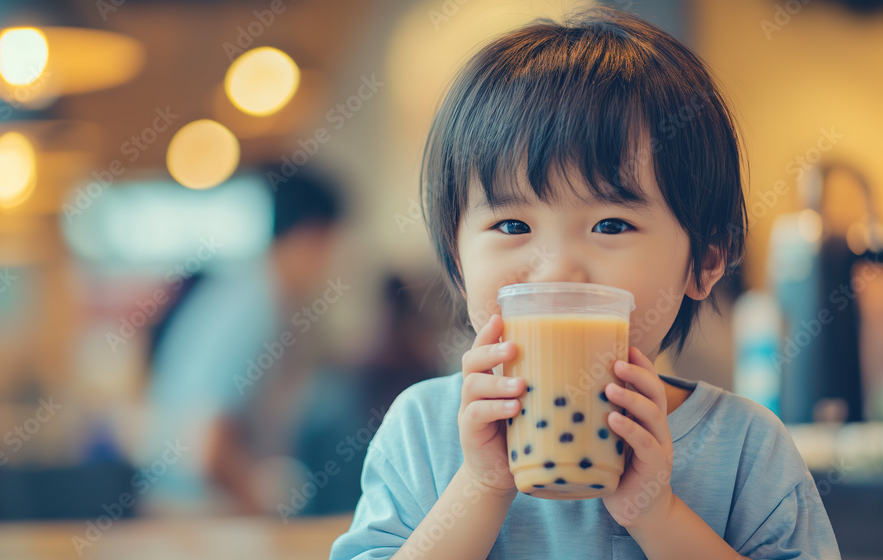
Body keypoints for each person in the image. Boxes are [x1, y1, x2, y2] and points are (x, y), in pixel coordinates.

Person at [331, 7, 840, 560]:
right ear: (455, 255)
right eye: (512, 225)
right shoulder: (423, 432)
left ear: (707, 261)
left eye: (611, 225)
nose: (555, 271)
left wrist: (658, 513)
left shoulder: (746, 448)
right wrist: (480, 487)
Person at [139, 164, 344, 516]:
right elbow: (206, 447)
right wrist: (266, 510)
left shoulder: (255, 297)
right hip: (196, 515)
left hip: (192, 507)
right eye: (331, 245)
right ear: (310, 237)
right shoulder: (254, 309)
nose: (333, 263)